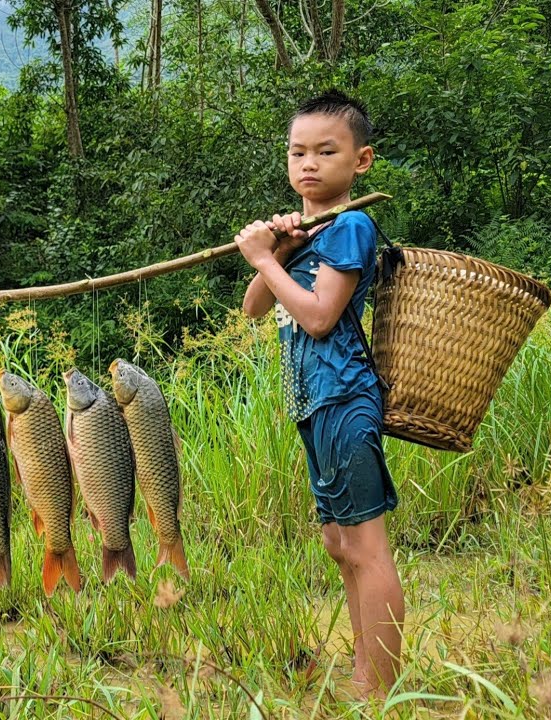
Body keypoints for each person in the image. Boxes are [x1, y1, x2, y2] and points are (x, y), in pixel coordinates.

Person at [238, 90, 404, 697]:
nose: (308, 164)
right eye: (297, 152)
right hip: (313, 403)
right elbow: (256, 306)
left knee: (365, 545)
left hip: (344, 397)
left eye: (325, 151)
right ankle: (365, 670)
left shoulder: (352, 226)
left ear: (360, 161)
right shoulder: (308, 230)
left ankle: (382, 687)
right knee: (339, 543)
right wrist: (276, 251)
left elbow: (317, 317)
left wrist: (264, 256)